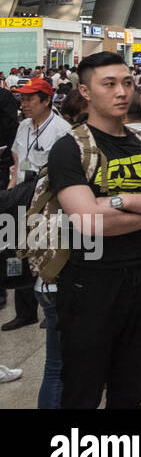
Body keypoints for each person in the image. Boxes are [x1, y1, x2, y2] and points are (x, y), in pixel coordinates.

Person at [48, 53, 141, 408]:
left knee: (132, 386)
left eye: (127, 82)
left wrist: (117, 202)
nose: (122, 91)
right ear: (85, 91)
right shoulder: (70, 147)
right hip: (87, 279)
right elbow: (88, 221)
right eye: (109, 84)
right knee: (83, 388)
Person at [7, 78, 72, 335]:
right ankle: (25, 313)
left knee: (47, 254)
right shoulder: (23, 126)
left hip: (47, 201)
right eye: (21, 99)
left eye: (29, 99)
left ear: (46, 100)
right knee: (20, 253)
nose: (23, 104)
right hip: (21, 195)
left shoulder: (61, 129)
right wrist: (12, 192)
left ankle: (51, 308)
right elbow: (16, 160)